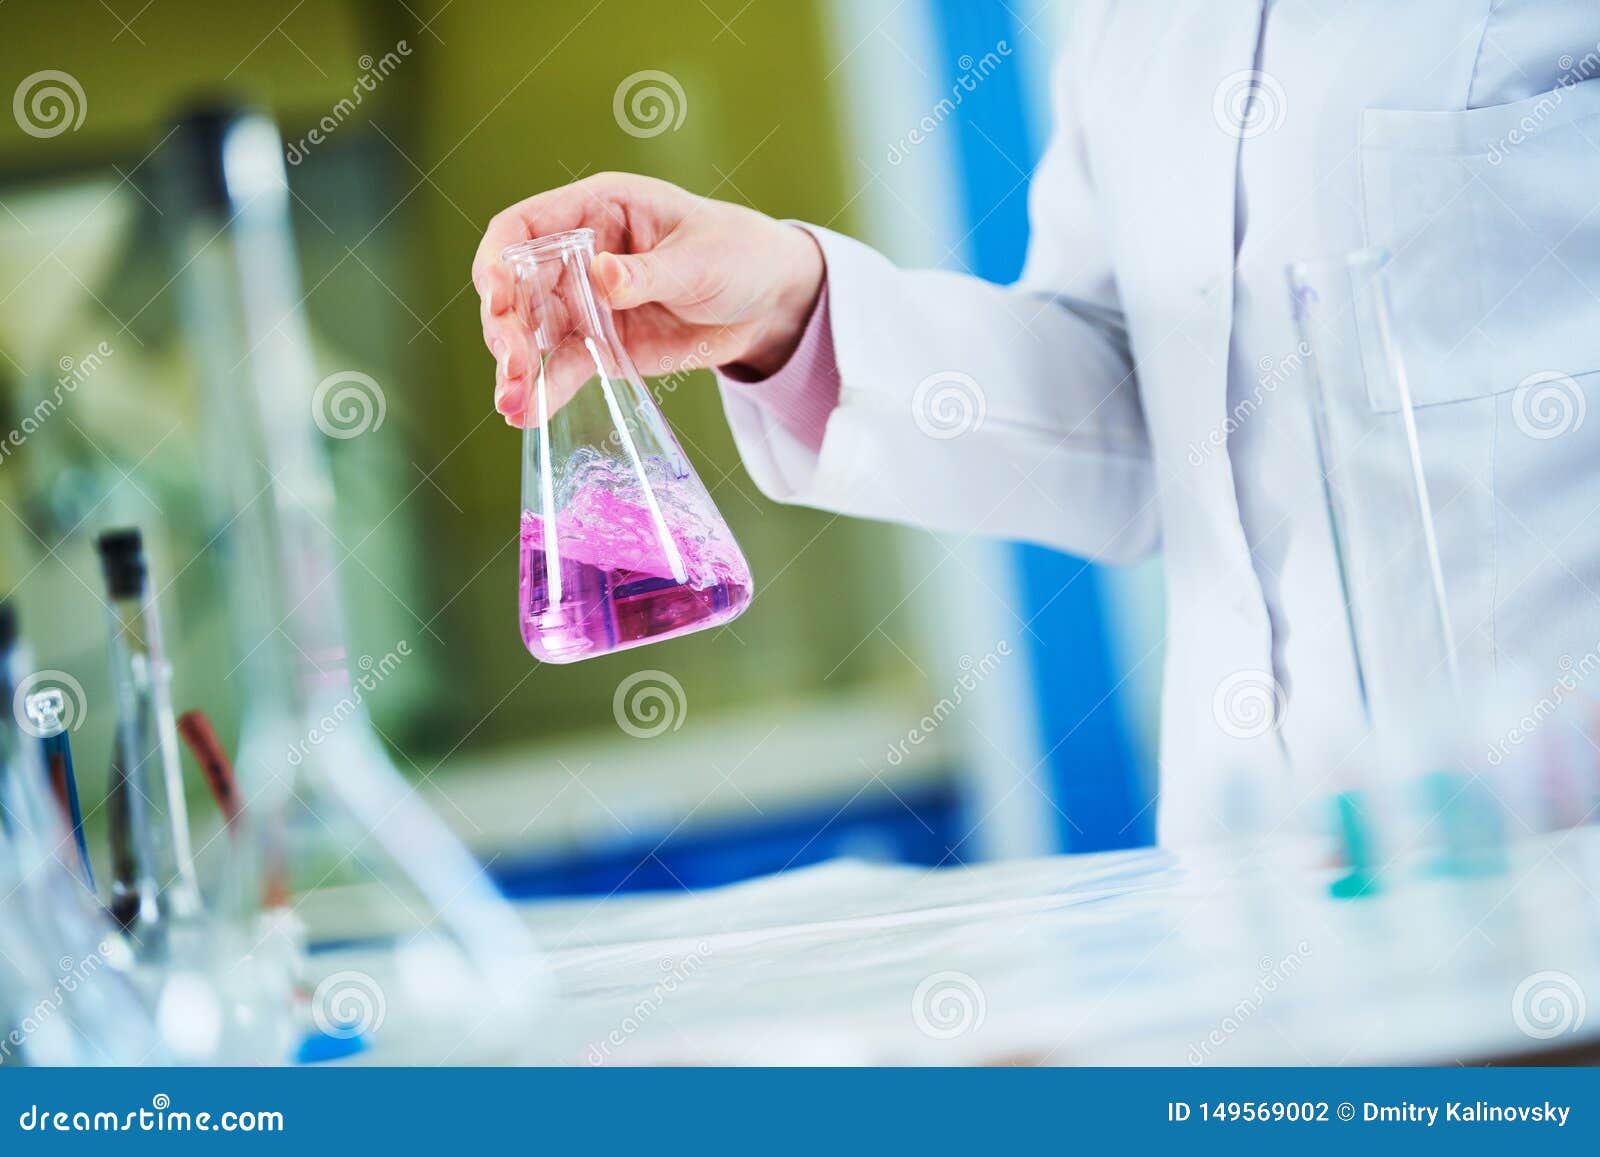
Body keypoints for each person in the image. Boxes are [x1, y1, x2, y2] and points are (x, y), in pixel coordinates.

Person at [475, 1, 1600, 844]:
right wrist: (790, 306)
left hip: (1553, 862)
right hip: (1260, 894)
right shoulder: (1133, 22)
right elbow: (1147, 416)